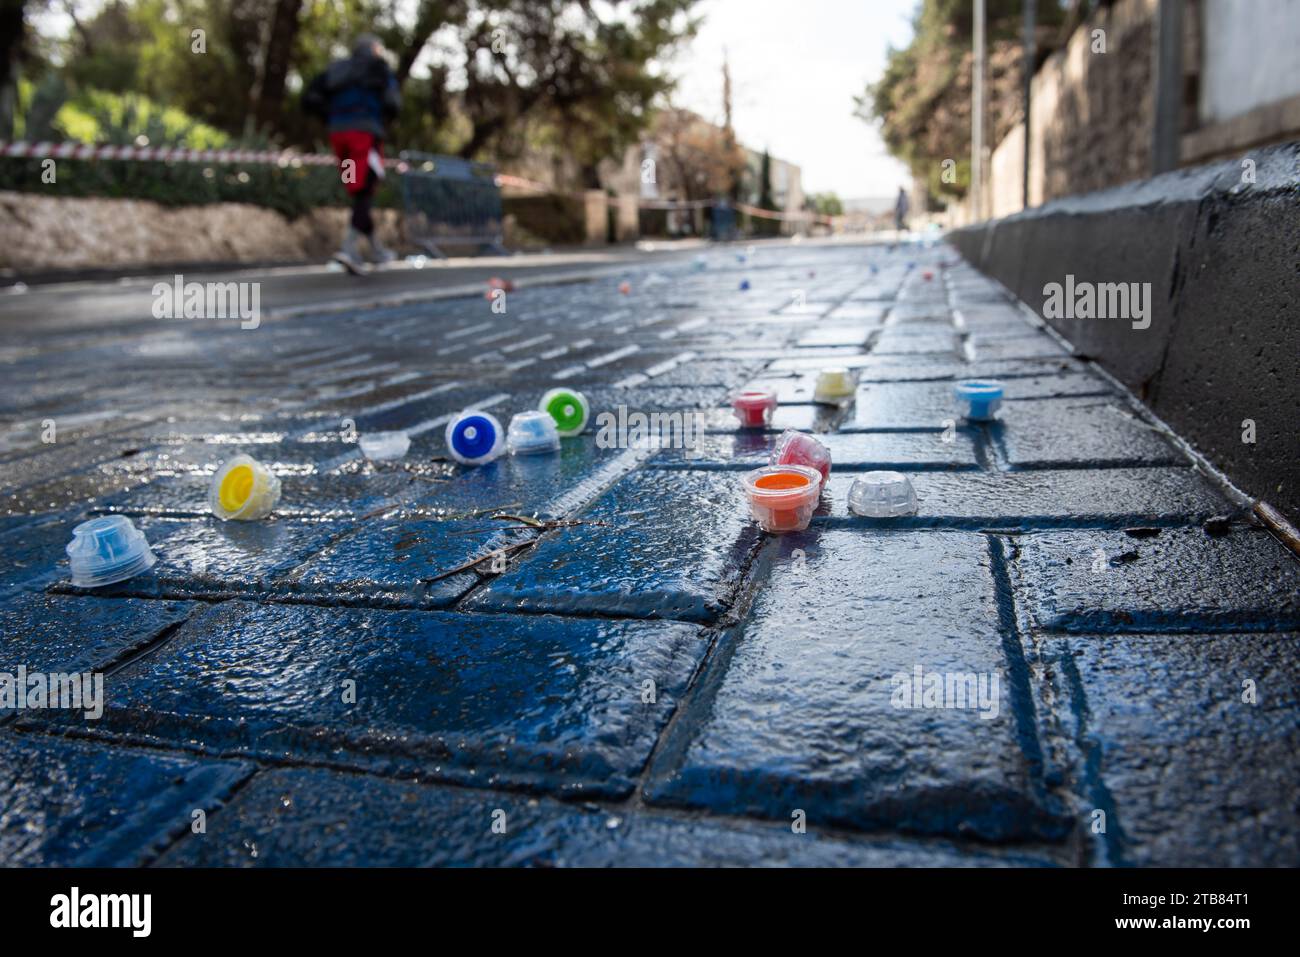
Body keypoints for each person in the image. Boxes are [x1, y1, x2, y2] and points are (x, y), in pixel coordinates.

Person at [303, 34, 401, 270]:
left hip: (338, 135)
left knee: (356, 189)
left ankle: (377, 251)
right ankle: (348, 250)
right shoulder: (378, 69)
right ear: (374, 49)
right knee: (366, 186)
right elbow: (393, 103)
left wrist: (331, 116)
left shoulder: (337, 68)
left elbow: (310, 98)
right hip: (364, 133)